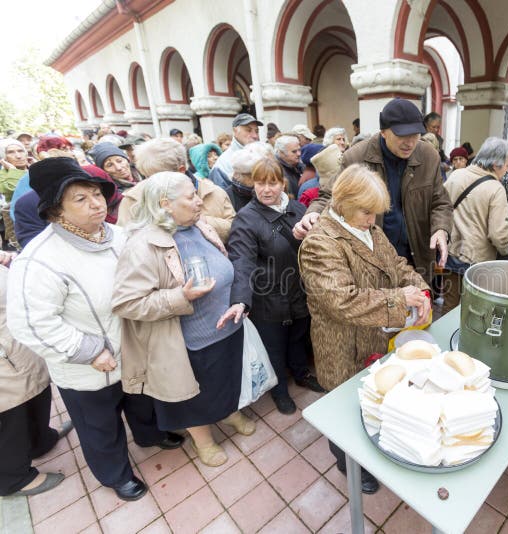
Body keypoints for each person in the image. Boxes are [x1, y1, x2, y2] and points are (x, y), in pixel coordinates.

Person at [7, 158, 180, 501]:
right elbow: (30, 323)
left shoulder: (117, 235)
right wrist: (89, 351)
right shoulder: (40, 260)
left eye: (96, 194)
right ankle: (116, 474)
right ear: (56, 211)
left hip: (131, 346)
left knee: (141, 401)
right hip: (89, 365)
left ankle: (149, 435)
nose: (97, 203)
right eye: (81, 199)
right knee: (99, 424)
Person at [298, 164, 430, 494]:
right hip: (343, 348)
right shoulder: (320, 243)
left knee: (372, 405)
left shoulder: (367, 227)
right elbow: (341, 301)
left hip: (375, 339)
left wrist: (420, 288)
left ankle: (367, 456)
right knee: (344, 414)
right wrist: (400, 298)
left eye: (375, 213)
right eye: (367, 212)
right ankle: (348, 465)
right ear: (342, 202)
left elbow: (395, 264)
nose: (372, 220)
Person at [113, 171, 256, 468]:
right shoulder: (143, 245)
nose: (199, 201)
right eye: (191, 197)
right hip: (188, 341)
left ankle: (229, 413)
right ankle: (203, 441)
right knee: (193, 397)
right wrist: (180, 297)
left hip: (227, 327)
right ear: (165, 204)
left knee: (226, 379)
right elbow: (127, 303)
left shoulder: (198, 225)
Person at [296, 98, 453, 285]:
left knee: (419, 300)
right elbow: (330, 195)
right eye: (402, 135)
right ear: (383, 132)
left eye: (415, 135)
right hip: (373, 259)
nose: (410, 142)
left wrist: (441, 228)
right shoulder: (356, 157)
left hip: (417, 255)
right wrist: (312, 213)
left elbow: (440, 201)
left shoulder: (429, 156)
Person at [227, 158, 324, 415]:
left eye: (272, 183)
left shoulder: (297, 209)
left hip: (299, 292)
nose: (266, 189)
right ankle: (279, 390)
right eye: (260, 183)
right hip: (268, 298)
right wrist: (240, 299)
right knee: (274, 348)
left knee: (298, 338)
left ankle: (301, 374)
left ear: (283, 183)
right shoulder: (246, 219)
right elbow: (241, 261)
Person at [0, 252, 74, 498]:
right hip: (4, 356)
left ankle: (40, 440)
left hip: (16, 342)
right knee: (11, 415)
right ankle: (14, 479)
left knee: (36, 394)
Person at [442, 137, 508, 313]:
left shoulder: (456, 175)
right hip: (477, 261)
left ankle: (443, 330)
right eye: (507, 165)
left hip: (450, 253)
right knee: (473, 309)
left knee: (449, 305)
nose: (507, 170)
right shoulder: (495, 189)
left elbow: (440, 210)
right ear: (496, 164)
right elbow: (499, 235)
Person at [117, 138, 236, 243]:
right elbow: (125, 242)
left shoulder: (212, 192)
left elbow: (234, 231)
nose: (153, 183)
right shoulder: (133, 199)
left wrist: (200, 221)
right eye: (148, 177)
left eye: (161, 177)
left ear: (181, 170)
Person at [209, 113, 263, 188]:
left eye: (257, 131)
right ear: (235, 131)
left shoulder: (263, 155)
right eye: (248, 130)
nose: (255, 136)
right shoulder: (222, 165)